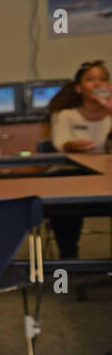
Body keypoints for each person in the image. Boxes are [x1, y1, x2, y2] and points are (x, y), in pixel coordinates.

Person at [45, 60, 112, 257]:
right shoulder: (65, 114)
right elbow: (60, 142)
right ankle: (69, 257)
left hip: (105, 177)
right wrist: (72, 146)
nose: (98, 84)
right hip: (70, 174)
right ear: (79, 88)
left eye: (103, 79)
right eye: (91, 79)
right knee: (64, 199)